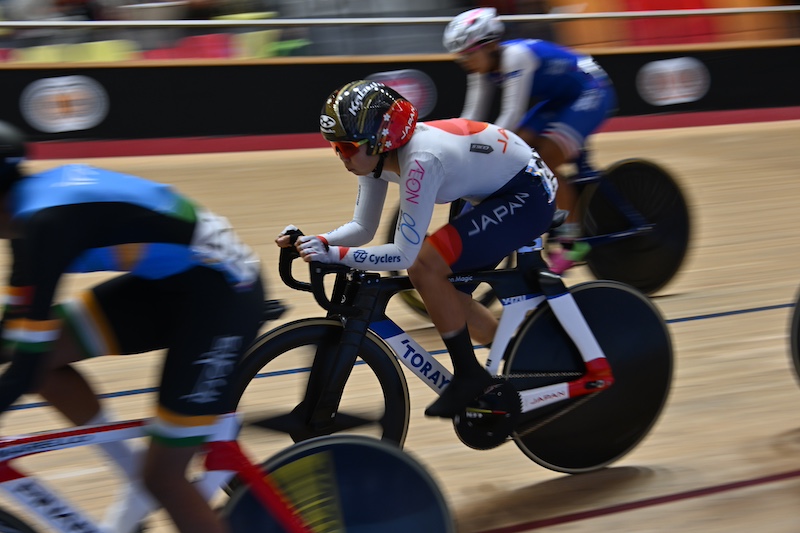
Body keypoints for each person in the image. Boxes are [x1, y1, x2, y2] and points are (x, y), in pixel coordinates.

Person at [0, 120, 264, 533]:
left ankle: (147, 485)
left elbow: (20, 367)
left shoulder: (44, 226)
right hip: (170, 284)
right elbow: (16, 333)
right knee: (44, 357)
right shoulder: (23, 217)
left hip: (223, 294)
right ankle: (134, 490)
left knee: (165, 478)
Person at [277, 80, 557, 418]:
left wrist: (333, 256)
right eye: (335, 147)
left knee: (426, 266)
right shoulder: (376, 158)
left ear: (380, 140)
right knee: (449, 297)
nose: (342, 157)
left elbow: (405, 255)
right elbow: (363, 229)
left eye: (348, 147)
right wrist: (319, 242)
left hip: (526, 193)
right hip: (494, 188)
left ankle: (469, 376)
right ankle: (516, 358)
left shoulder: (421, 161)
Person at [443, 6, 618, 273]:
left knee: (544, 160)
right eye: (460, 57)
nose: (465, 62)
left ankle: (573, 243)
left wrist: (481, 151)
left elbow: (511, 115)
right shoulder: (482, 68)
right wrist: (453, 144)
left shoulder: (515, 57)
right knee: (521, 145)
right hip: (561, 99)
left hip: (590, 91)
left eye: (468, 54)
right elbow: (471, 117)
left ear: (489, 46)